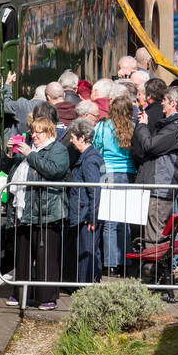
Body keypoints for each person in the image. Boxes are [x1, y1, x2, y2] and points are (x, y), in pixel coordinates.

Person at [11, 115, 69, 310]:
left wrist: (30, 155)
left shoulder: (58, 149)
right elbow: (8, 171)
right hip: (26, 210)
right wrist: (9, 154)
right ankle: (21, 294)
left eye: (38, 132)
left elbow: (54, 171)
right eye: (32, 132)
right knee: (23, 255)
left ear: (49, 132)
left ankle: (47, 297)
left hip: (47, 211)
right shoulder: (30, 149)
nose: (34, 135)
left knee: (46, 256)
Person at [132, 85, 178, 243]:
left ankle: (154, 268)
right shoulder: (170, 126)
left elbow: (150, 146)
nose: (161, 103)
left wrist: (143, 126)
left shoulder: (174, 129)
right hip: (157, 188)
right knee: (151, 236)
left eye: (164, 100)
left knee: (154, 239)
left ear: (173, 103)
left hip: (160, 189)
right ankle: (151, 267)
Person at [94, 95, 135, 277]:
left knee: (109, 221)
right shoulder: (132, 128)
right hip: (128, 173)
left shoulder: (102, 126)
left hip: (107, 172)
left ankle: (110, 264)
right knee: (124, 221)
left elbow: (96, 147)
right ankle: (125, 261)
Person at [67, 118, 104, 285]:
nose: (70, 140)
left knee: (87, 253)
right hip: (85, 213)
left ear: (82, 138)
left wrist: (92, 218)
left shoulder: (89, 161)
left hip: (86, 215)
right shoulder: (89, 157)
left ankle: (86, 286)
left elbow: (94, 191)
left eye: (73, 137)